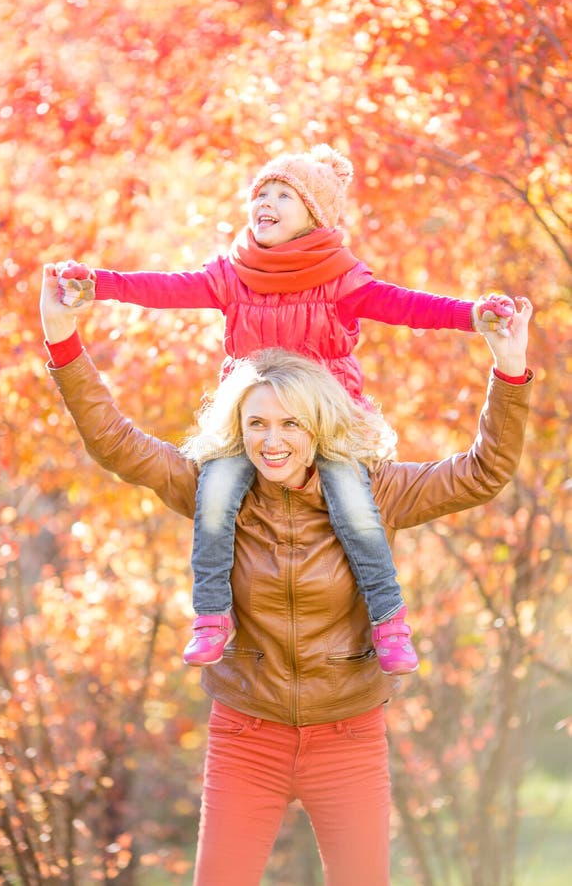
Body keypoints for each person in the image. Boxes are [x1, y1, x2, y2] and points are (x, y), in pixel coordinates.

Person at [40, 265, 532, 886]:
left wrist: (509, 370)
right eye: (258, 425)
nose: (272, 443)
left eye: (290, 424)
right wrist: (63, 339)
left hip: (348, 736)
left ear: (320, 424)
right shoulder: (215, 492)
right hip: (247, 737)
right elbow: (116, 443)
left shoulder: (373, 491)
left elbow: (482, 473)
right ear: (238, 429)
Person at [52, 144, 514, 673]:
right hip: (250, 425)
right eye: (261, 194)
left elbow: (407, 306)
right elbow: (167, 288)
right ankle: (210, 615)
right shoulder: (233, 273)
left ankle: (389, 620)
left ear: (314, 214)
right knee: (215, 495)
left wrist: (472, 316)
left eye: (282, 194)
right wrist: (102, 284)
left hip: (325, 427)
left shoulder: (340, 277)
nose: (264, 203)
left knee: (355, 505)